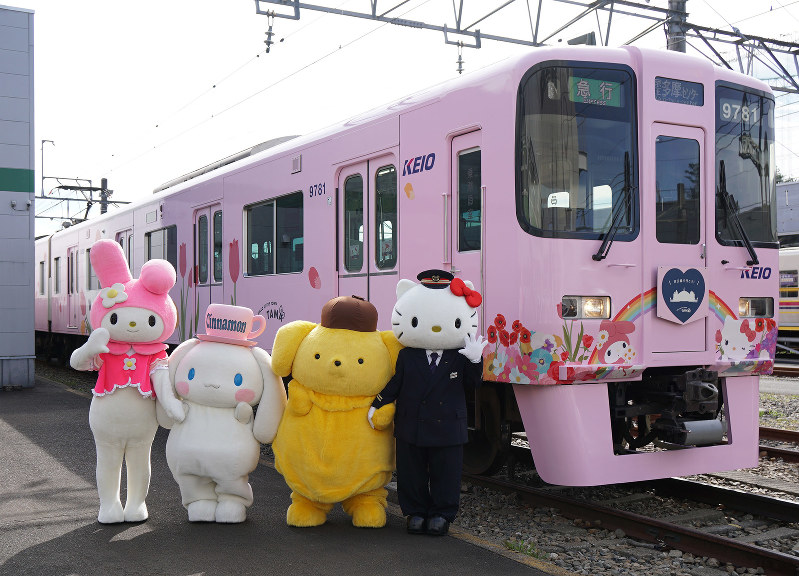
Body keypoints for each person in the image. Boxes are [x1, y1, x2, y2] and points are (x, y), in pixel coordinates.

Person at [368, 269, 486, 535]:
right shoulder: (408, 356)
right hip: (413, 424)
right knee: (412, 472)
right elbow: (396, 384)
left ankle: (442, 514)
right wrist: (378, 402)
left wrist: (476, 361)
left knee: (447, 473)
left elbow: (473, 385)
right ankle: (415, 512)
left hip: (448, 428)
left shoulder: (460, 356)